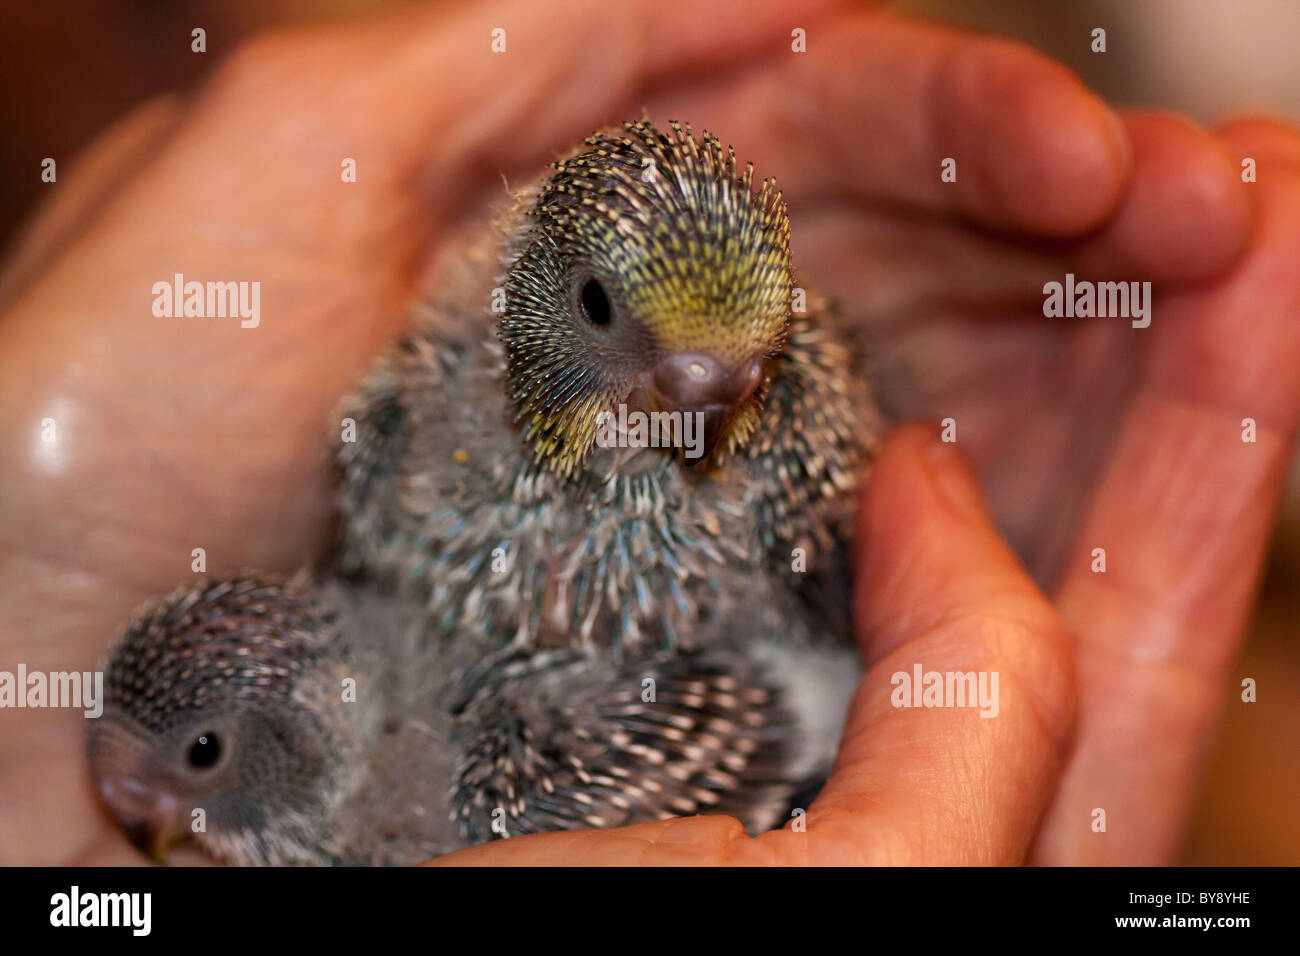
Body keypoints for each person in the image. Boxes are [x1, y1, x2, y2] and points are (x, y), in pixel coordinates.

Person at [1, 0, 1296, 866]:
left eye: (734, 376)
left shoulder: (784, 477)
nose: (697, 415)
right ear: (542, 293)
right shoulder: (394, 427)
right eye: (619, 320)